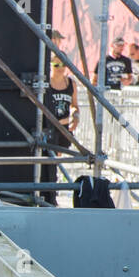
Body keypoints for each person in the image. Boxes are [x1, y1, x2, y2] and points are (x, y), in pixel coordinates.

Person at [42, 56, 78, 204]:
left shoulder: (71, 83)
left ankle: (51, 193)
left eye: (63, 64)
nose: (60, 67)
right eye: (56, 64)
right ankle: (48, 193)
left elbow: (75, 105)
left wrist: (76, 116)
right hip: (49, 127)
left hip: (63, 127)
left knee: (55, 161)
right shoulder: (46, 83)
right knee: (48, 161)